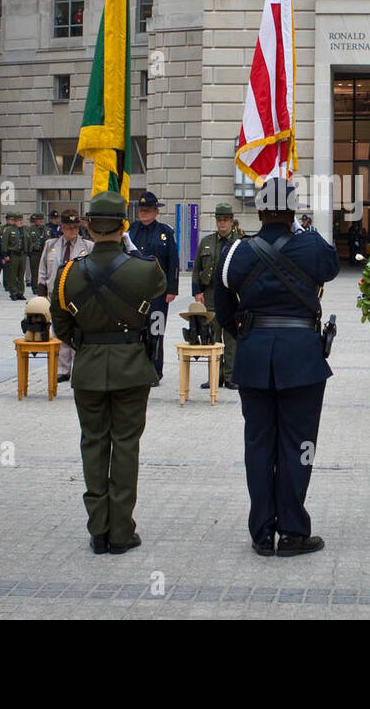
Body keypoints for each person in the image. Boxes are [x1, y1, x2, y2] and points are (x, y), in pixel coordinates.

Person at [213, 177, 339, 557]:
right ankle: (294, 530)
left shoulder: (236, 251)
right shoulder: (312, 245)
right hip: (302, 358)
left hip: (253, 358)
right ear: (292, 211)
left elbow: (223, 310)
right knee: (299, 445)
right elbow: (331, 267)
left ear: (259, 210)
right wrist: (304, 229)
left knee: (259, 444)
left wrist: (247, 332)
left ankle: (262, 532)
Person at [50, 192, 165, 554]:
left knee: (93, 444)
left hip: (88, 367)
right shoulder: (146, 269)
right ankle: (121, 531)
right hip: (132, 366)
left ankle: (98, 529)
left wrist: (88, 345)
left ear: (87, 225)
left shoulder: (69, 273)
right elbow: (156, 307)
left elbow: (61, 326)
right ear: (123, 226)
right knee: (126, 447)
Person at [36, 210, 94, 384]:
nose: (73, 231)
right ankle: (62, 369)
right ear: (62, 228)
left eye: (76, 227)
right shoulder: (50, 244)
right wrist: (41, 294)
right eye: (69, 228)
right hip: (55, 295)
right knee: (59, 331)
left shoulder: (88, 246)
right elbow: (43, 269)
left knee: (78, 332)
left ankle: (79, 368)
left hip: (79, 296)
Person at [128, 191, 179, 379]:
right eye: (141, 210)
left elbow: (173, 261)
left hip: (158, 291)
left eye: (148, 210)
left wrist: (172, 289)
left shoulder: (165, 232)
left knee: (156, 330)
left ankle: (155, 370)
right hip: (134, 291)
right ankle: (137, 369)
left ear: (156, 212)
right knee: (136, 331)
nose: (144, 213)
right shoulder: (131, 231)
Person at [191, 201, 240, 389]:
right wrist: (197, 292)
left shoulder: (238, 243)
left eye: (225, 220)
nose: (222, 223)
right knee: (211, 338)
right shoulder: (207, 242)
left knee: (230, 339)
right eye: (219, 220)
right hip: (210, 296)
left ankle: (230, 376)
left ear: (231, 221)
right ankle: (214, 377)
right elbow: (197, 269)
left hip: (231, 297)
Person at [0, 212, 26, 300]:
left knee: (21, 275)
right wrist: (5, 254)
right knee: (13, 275)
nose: (20, 222)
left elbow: (27, 241)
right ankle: (13, 292)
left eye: (21, 220)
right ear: (14, 221)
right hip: (13, 254)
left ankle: (20, 292)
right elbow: (4, 243)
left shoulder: (24, 230)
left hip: (22, 255)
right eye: (18, 220)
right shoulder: (9, 229)